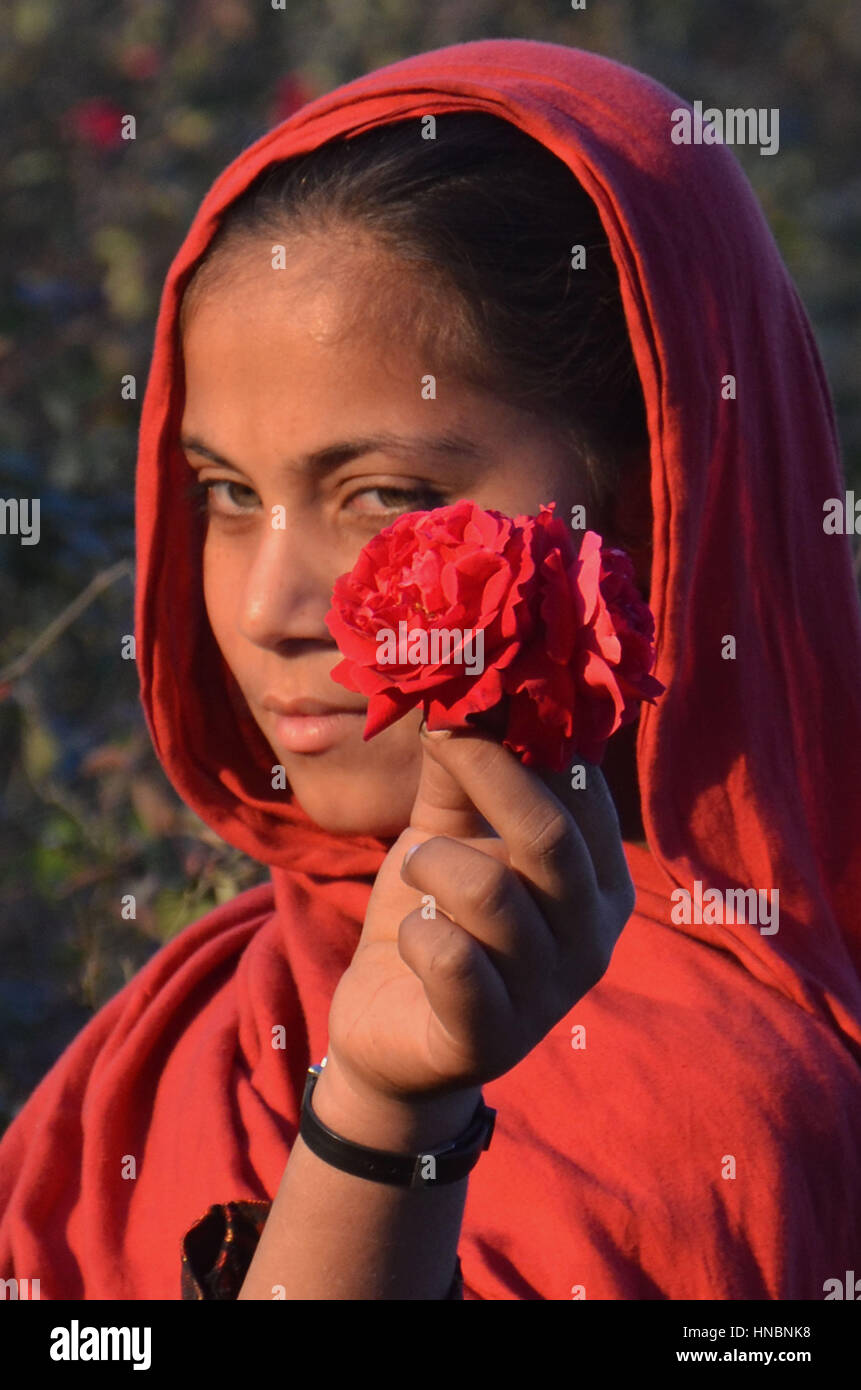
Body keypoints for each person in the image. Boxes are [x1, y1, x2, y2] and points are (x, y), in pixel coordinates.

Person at [2, 37, 860, 1302]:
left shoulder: (708, 1119)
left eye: (383, 494)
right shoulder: (187, 1028)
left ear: (649, 508)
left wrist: (381, 1129)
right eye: (226, 492)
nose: (263, 606)